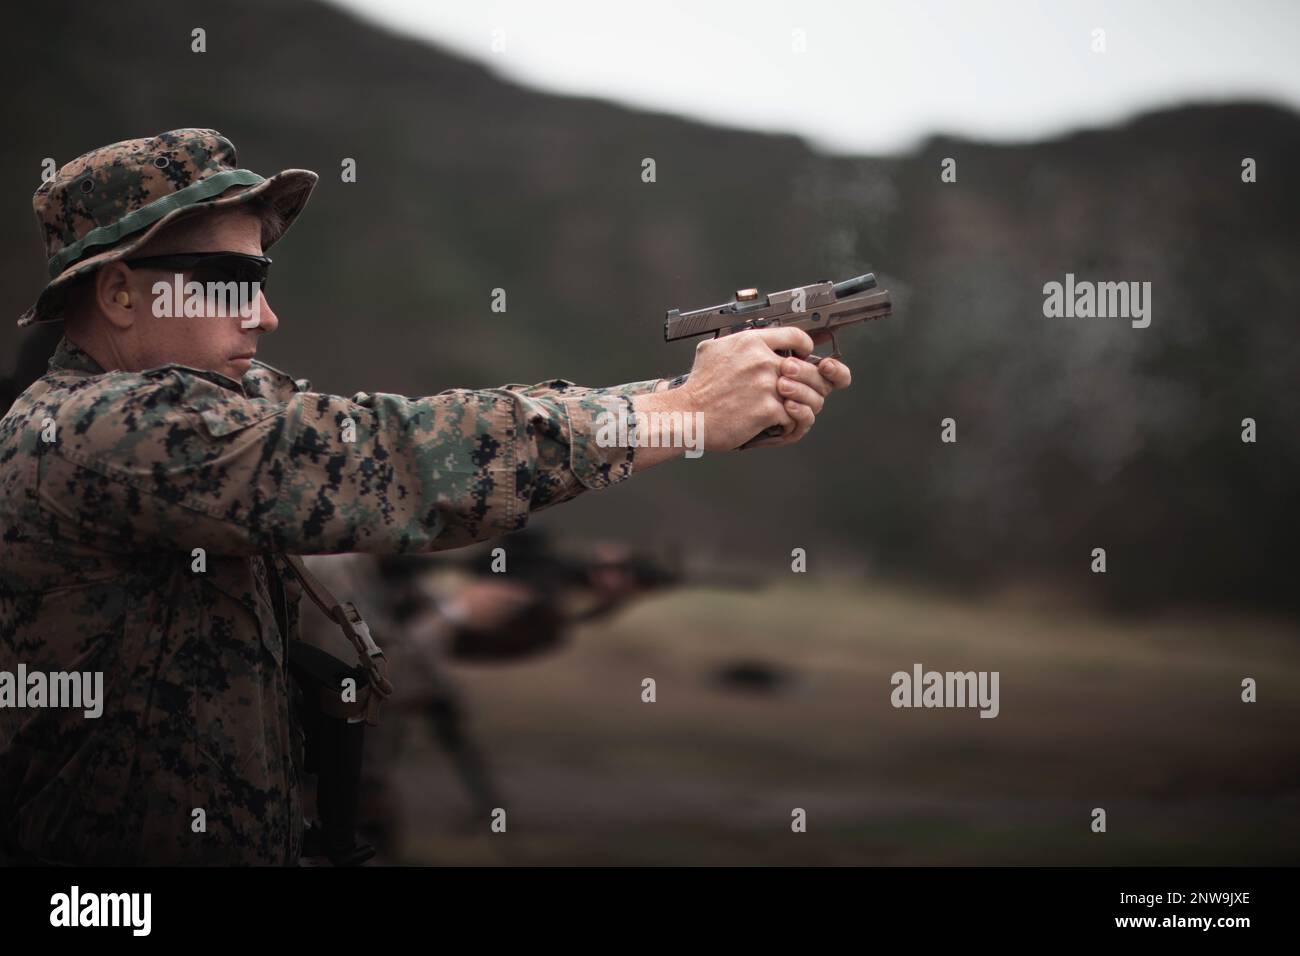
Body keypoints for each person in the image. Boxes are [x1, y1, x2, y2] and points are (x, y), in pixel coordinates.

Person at [0, 128, 852, 865]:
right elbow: (390, 457)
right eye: (225, 278)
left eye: (260, 274)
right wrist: (682, 413)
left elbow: (409, 436)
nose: (262, 314)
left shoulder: (196, 416)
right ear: (115, 291)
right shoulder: (102, 431)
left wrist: (707, 401)